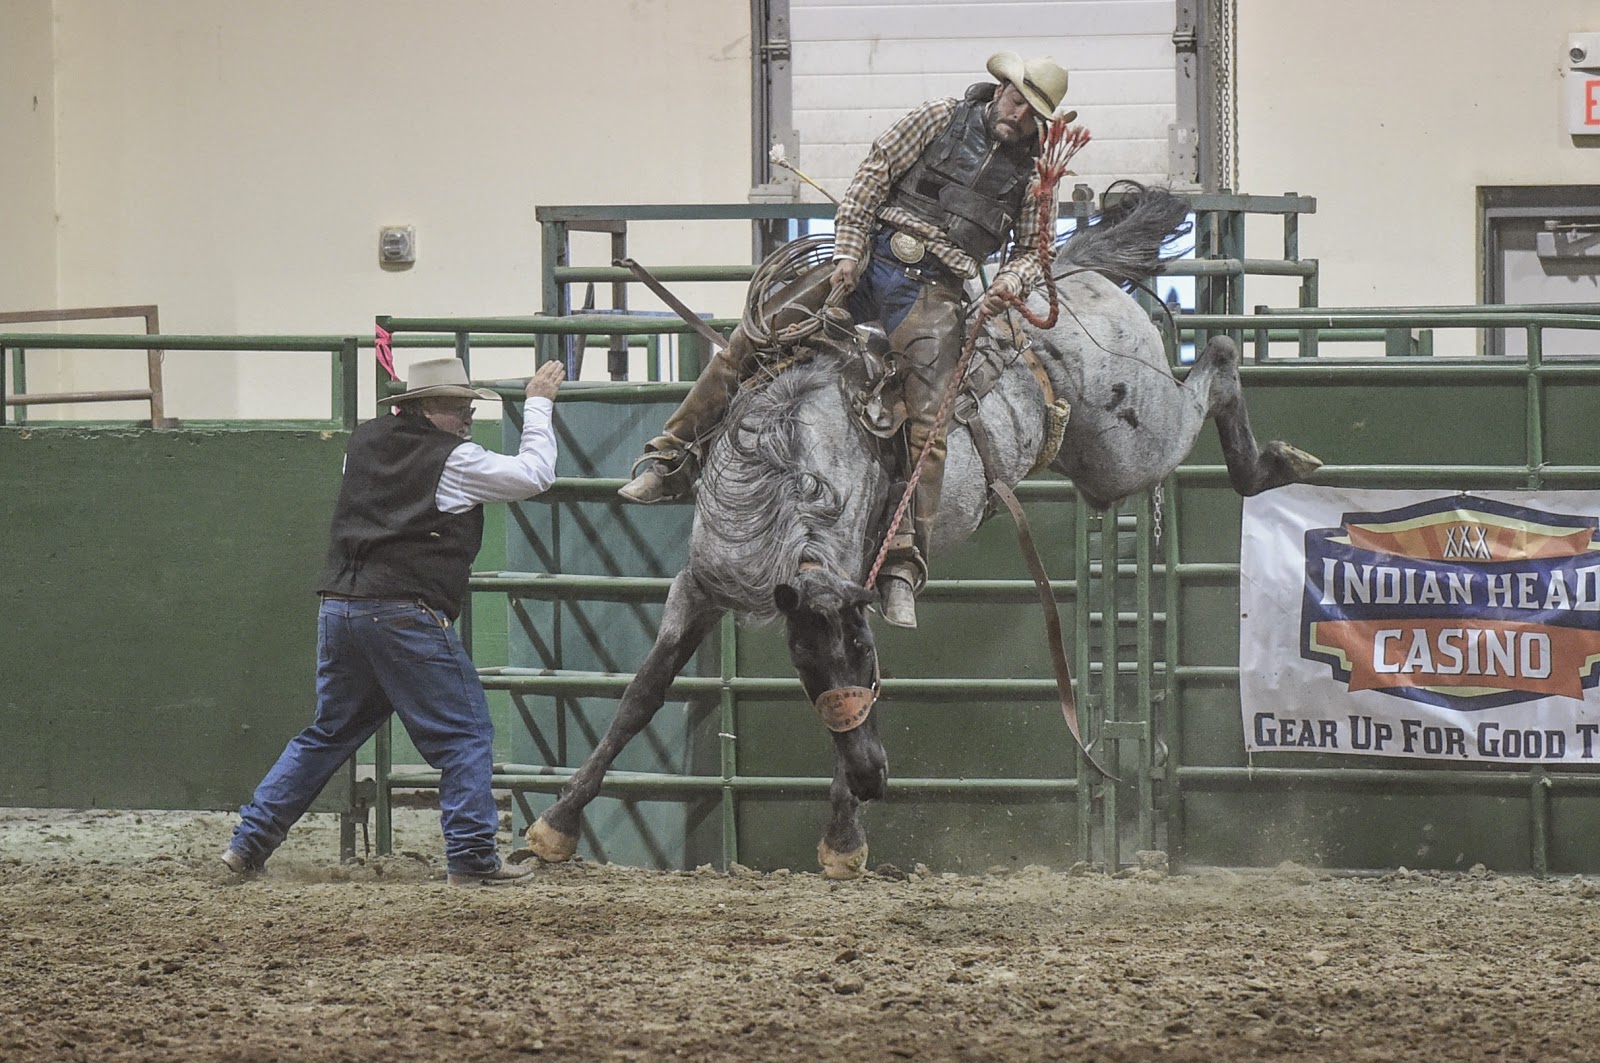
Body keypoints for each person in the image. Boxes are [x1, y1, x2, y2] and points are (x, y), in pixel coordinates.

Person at [618, 51, 1073, 628]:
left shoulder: (1037, 176)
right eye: (1016, 101)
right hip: (868, 261)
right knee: (750, 341)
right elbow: (870, 179)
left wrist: (1009, 280)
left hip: (934, 292)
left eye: (1032, 113)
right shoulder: (937, 118)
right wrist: (851, 250)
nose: (1018, 117)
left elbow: (1036, 254)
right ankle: (673, 457)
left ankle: (902, 563)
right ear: (1001, 87)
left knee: (930, 427)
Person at [224, 356, 566, 886]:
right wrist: (539, 405)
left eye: (468, 406)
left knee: (329, 732)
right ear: (426, 407)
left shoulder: (362, 445)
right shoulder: (455, 459)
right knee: (466, 734)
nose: (467, 416)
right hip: (404, 612)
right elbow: (534, 475)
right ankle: (472, 858)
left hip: (340, 606)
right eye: (457, 407)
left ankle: (248, 845)